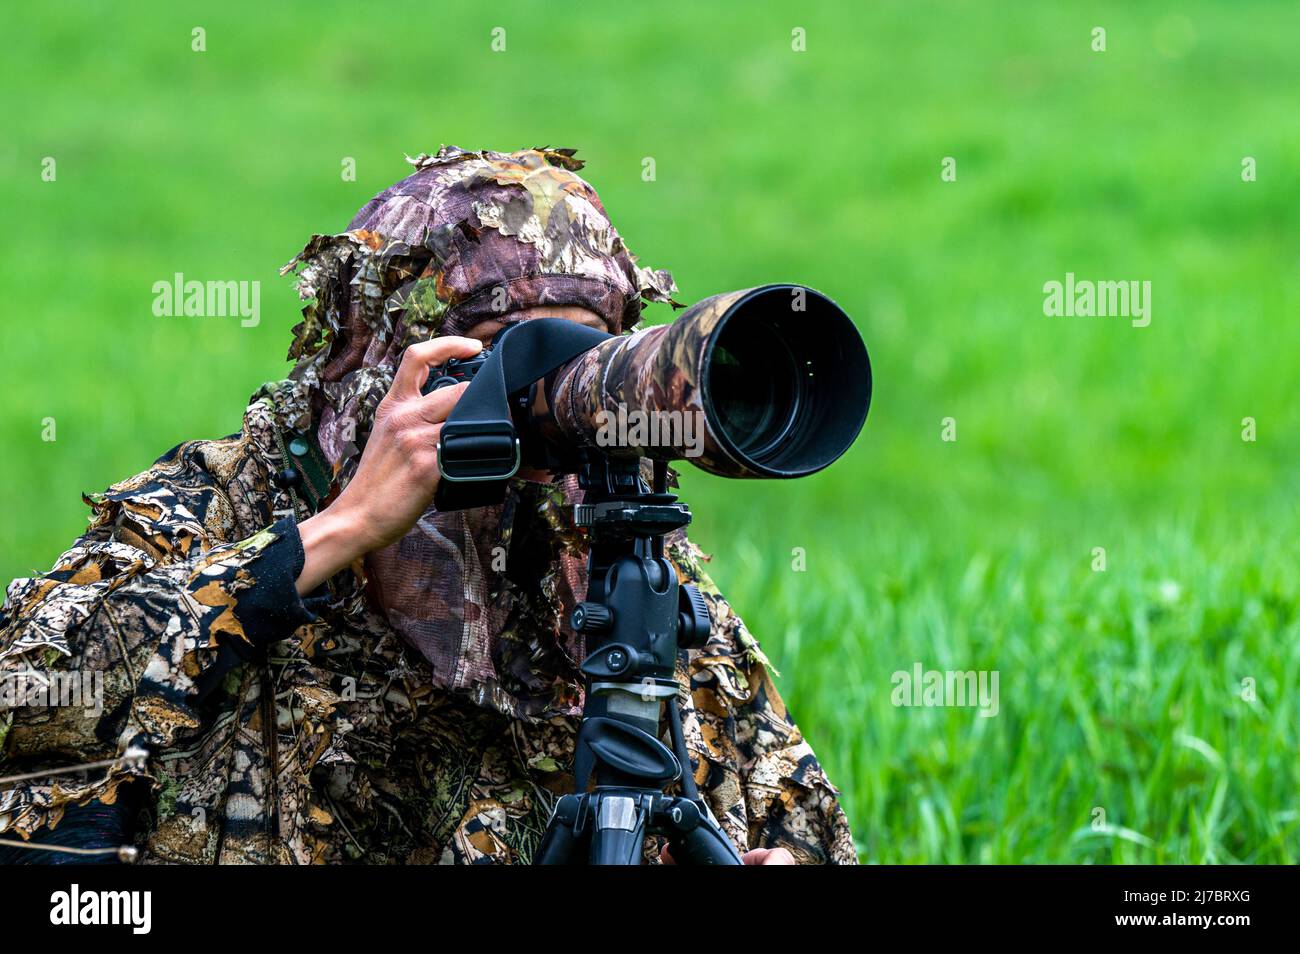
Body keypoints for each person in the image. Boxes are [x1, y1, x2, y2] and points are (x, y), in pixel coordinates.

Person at [0, 146, 856, 865]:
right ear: (374, 359)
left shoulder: (611, 558)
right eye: (496, 356)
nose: (535, 400)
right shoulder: (234, 493)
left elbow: (797, 817)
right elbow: (26, 696)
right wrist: (338, 530)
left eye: (580, 359)